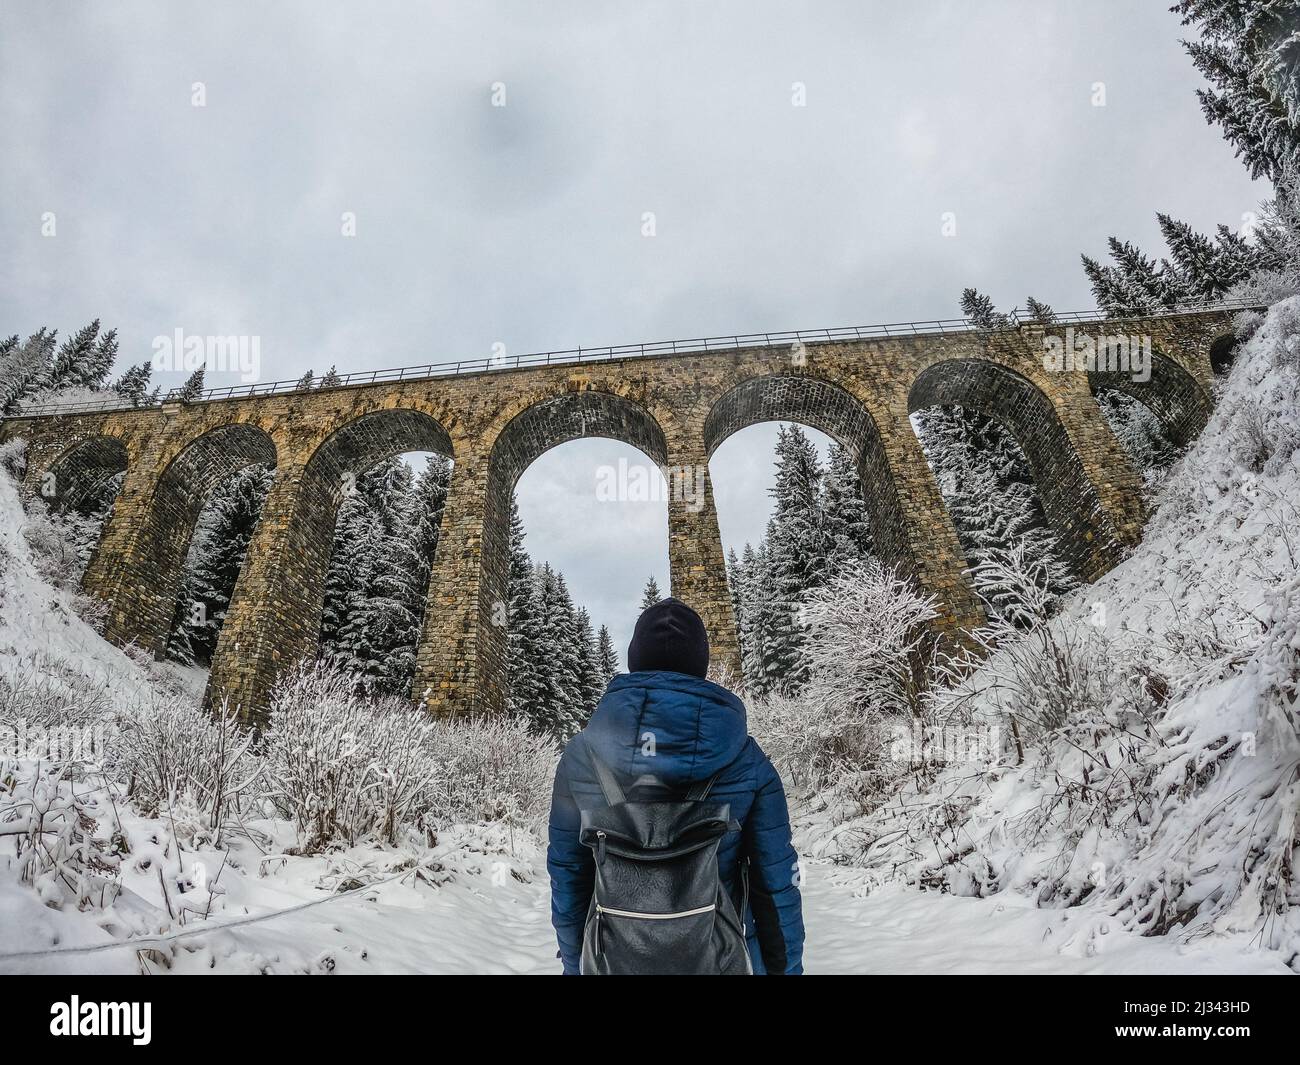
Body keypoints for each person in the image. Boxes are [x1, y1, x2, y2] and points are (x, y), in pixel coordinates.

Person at [546, 596, 805, 974]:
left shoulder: (580, 757)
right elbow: (777, 883)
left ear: (634, 660)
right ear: (700, 665)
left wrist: (575, 966)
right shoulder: (746, 758)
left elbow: (568, 879)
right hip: (721, 960)